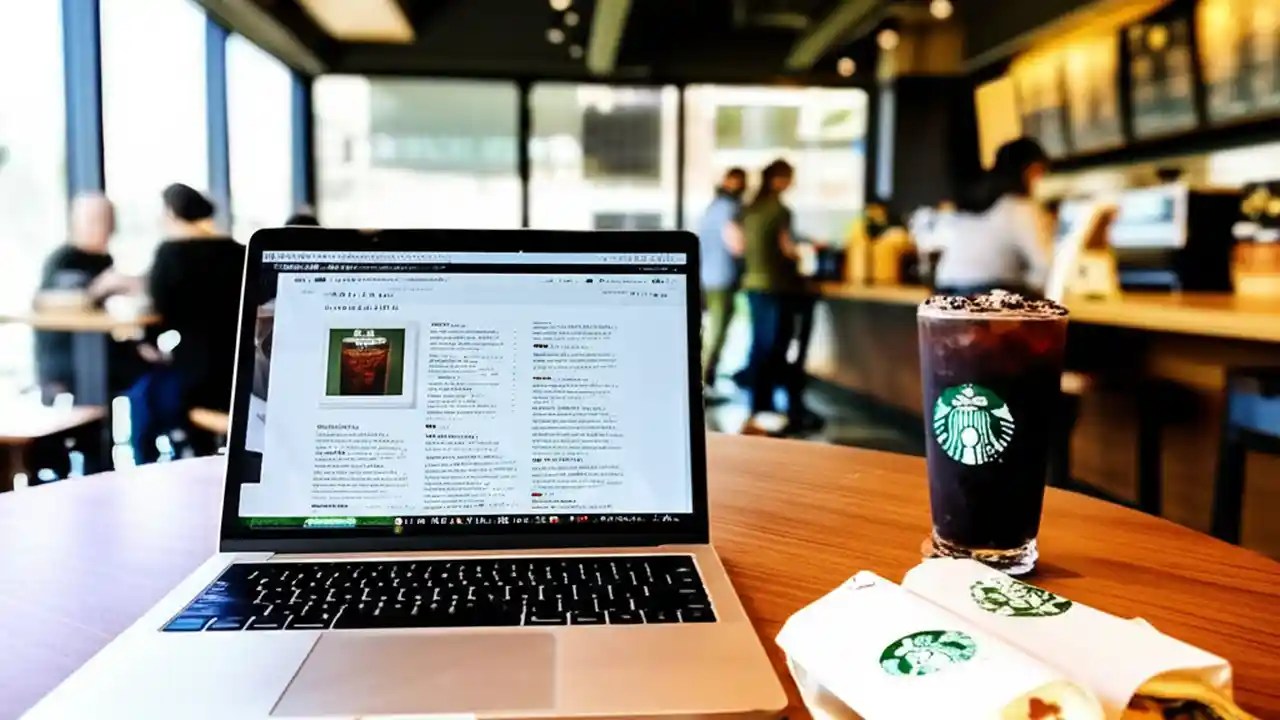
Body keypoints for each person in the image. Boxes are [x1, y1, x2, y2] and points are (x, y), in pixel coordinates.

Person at [128, 184, 245, 463]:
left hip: (196, 383)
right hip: (244, 378)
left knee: (140, 396)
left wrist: (146, 342)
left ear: (170, 213)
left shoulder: (170, 254)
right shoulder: (238, 252)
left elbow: (162, 313)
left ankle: (140, 467)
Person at [33, 194, 139, 404]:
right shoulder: (64, 259)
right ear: (75, 222)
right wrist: (98, 289)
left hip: (99, 350)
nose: (104, 228)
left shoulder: (102, 259)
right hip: (68, 359)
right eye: (94, 220)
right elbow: (50, 301)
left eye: (107, 220)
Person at [737, 159, 812, 435]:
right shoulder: (779, 210)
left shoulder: (750, 208)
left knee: (759, 344)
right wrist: (803, 252)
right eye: (789, 178)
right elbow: (787, 248)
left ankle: (758, 407)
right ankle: (767, 408)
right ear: (778, 179)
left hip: (752, 282)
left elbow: (739, 245)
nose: (791, 183)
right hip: (775, 285)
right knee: (774, 346)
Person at [933, 137, 1054, 296]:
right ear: (1027, 171)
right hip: (987, 294)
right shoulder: (1020, 208)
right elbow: (1045, 266)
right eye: (1039, 172)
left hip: (944, 292)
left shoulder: (975, 200)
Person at [696, 167, 746, 391]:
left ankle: (703, 378)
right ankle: (705, 380)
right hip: (723, 276)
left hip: (706, 275)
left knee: (709, 329)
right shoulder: (729, 209)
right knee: (718, 329)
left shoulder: (712, 207)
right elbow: (736, 244)